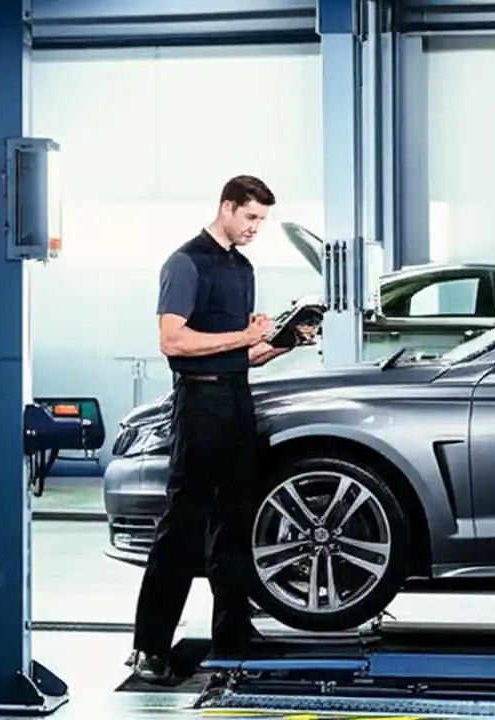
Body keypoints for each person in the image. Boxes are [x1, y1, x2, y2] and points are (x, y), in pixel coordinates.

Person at [127, 175, 313, 684]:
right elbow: (173, 341)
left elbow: (242, 354)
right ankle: (150, 647)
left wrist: (286, 340)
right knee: (184, 524)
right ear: (227, 207)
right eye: (250, 217)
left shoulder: (242, 267)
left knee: (234, 521)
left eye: (262, 221)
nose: (256, 228)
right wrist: (244, 333)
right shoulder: (186, 262)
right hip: (199, 402)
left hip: (235, 398)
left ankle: (234, 632)